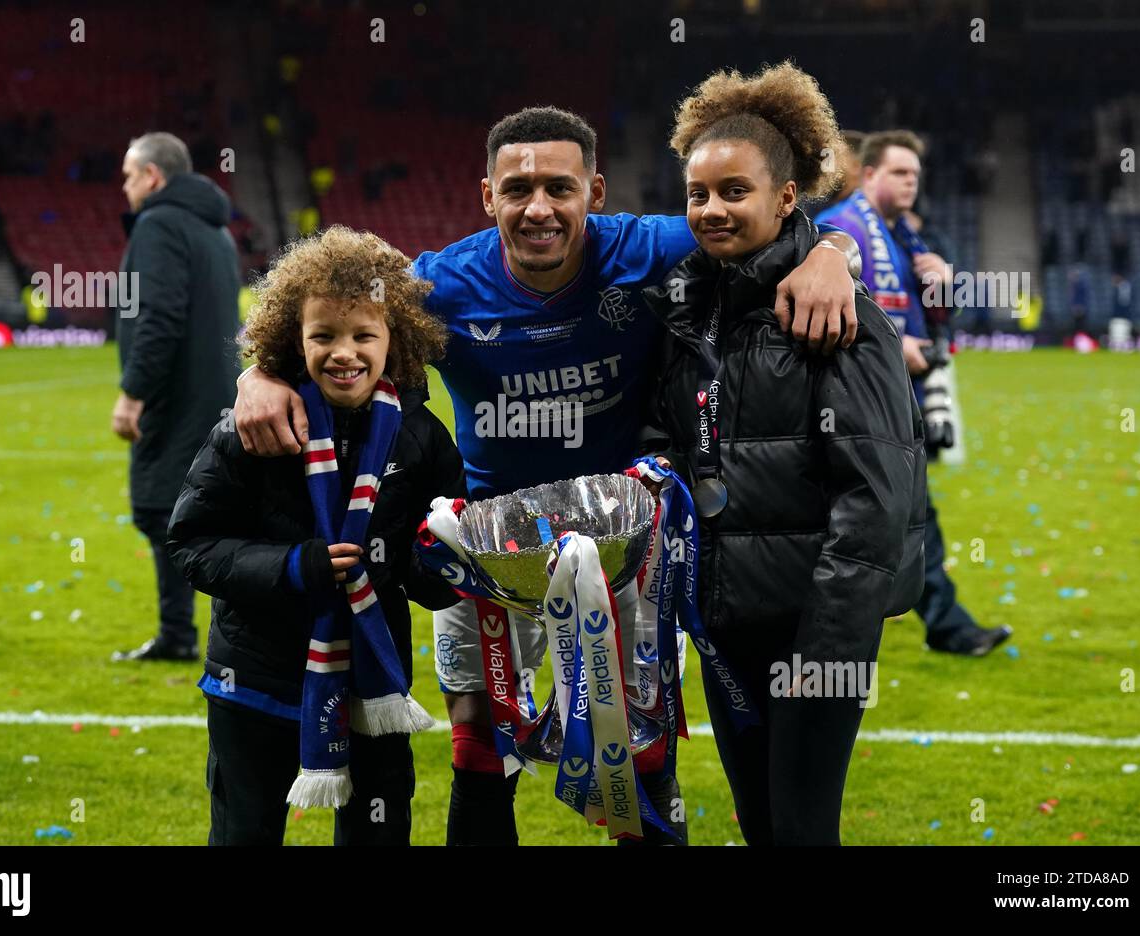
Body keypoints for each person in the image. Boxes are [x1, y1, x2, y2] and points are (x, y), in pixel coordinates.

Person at [233, 106, 865, 846]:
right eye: (518, 188)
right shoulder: (438, 285)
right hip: (484, 538)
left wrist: (830, 253)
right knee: (476, 737)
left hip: (623, 546)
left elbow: (773, 228)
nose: (538, 207)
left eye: (559, 188)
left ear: (595, 192)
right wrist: (259, 372)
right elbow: (329, 319)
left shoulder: (649, 248)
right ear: (486, 195)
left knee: (639, 736)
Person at [641, 63, 926, 846]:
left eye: (736, 191)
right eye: (698, 193)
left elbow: (875, 498)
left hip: (814, 630)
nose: (711, 209)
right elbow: (666, 441)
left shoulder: (840, 313)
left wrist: (828, 648)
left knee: (801, 830)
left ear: (786, 197)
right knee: (765, 826)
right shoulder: (687, 307)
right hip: (727, 625)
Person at [166, 226, 465, 844]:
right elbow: (193, 543)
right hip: (254, 681)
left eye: (364, 335)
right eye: (322, 335)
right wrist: (293, 568)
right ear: (291, 338)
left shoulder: (421, 437)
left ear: (396, 340)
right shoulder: (254, 426)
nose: (343, 353)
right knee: (244, 833)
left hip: (370, 681)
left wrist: (441, 563)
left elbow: (433, 567)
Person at [817, 130, 1012, 656]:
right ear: (870, 175)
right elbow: (823, 312)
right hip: (856, 404)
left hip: (888, 403)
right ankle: (942, 627)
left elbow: (922, 317)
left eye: (916, 176)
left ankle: (938, 624)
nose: (911, 184)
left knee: (900, 518)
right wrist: (893, 348)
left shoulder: (903, 236)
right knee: (899, 518)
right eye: (900, 173)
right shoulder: (842, 231)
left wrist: (943, 289)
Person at [111, 132, 242, 662]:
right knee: (203, 511)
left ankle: (179, 634)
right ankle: (204, 633)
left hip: (174, 398)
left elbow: (159, 317)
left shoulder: (158, 223)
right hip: (214, 395)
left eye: (128, 175)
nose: (123, 187)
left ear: (153, 176)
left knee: (159, 508)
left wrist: (133, 393)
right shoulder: (218, 232)